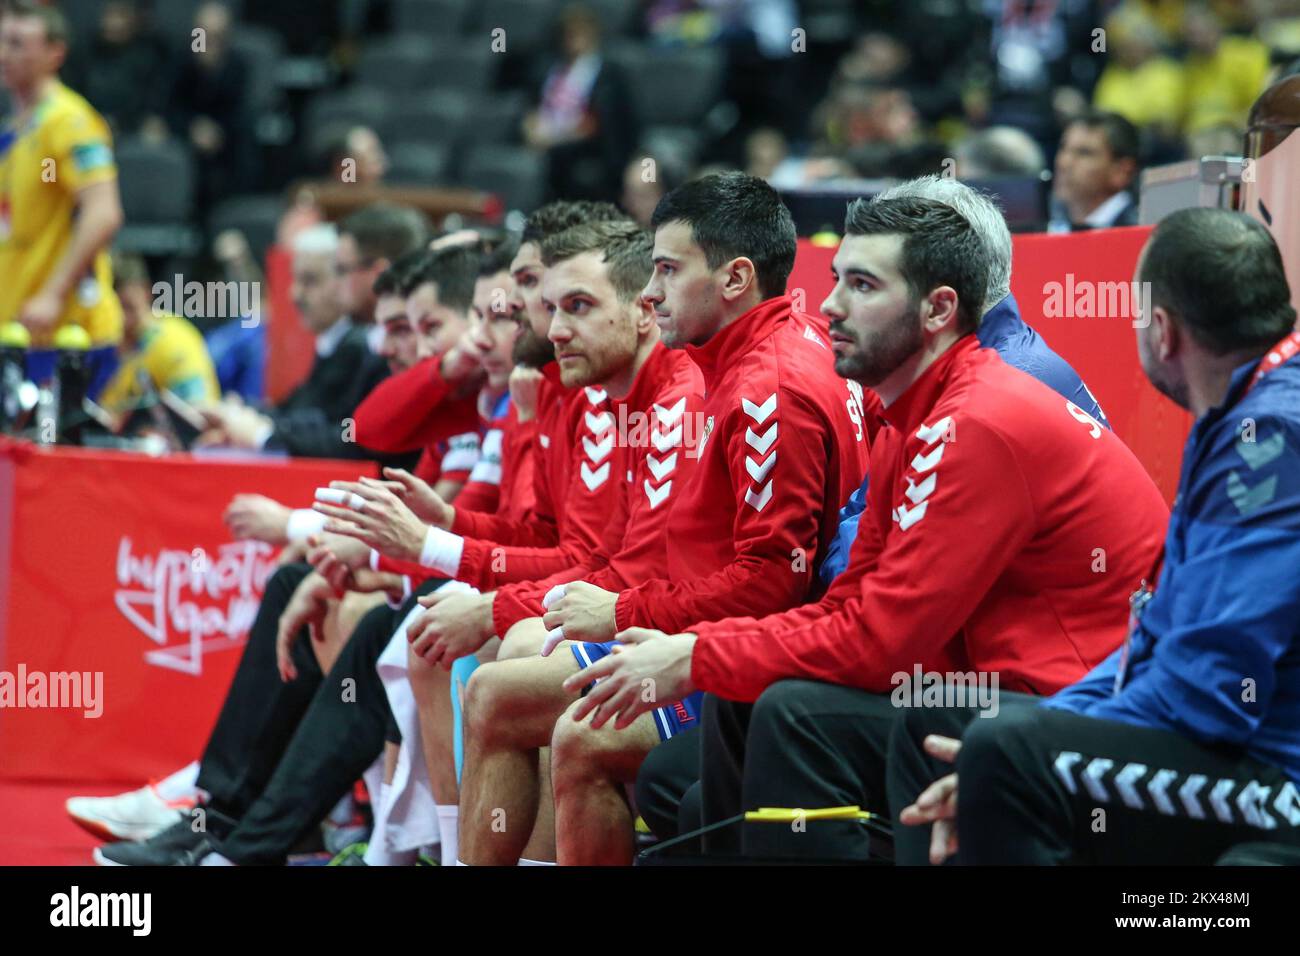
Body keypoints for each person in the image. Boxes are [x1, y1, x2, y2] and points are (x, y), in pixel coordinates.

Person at [574, 195, 1168, 862]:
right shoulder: (911, 416)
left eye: (862, 286)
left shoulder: (976, 422)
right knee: (751, 702)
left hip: (1078, 708)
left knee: (792, 713)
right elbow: (851, 605)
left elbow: (881, 641)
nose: (829, 306)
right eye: (836, 281)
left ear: (938, 311)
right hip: (985, 688)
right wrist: (704, 646)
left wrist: (696, 655)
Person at [462, 172, 870, 865]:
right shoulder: (780, 345)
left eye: (669, 270)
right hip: (730, 635)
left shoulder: (764, 390)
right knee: (514, 684)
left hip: (753, 665)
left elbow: (771, 583)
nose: (650, 293)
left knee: (525, 708)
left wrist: (624, 612)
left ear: (735, 278)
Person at [889, 208, 1300, 866]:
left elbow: (1208, 695)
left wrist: (1046, 743)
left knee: (1004, 753)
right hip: (1237, 746)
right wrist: (1056, 725)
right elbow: (1157, 640)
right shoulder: (1247, 413)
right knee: (954, 727)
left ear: (1162, 331)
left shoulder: (1268, 442)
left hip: (1281, 781)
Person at [0, 0, 125, 393]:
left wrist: (51, 294)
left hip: (67, 335)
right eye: (1, 41)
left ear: (55, 53)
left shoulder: (70, 123)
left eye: (17, 44)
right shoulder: (15, 129)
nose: (3, 53)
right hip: (17, 330)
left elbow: (103, 212)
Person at [96, 252, 220, 415]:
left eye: (127, 307)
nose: (122, 319)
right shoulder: (106, 346)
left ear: (145, 291)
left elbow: (196, 415)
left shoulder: (173, 341)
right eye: (111, 310)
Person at [1047, 111, 1141, 233]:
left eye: (1084, 153)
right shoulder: (1049, 226)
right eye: (1063, 148)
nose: (1063, 163)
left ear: (1122, 171)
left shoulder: (1141, 231)